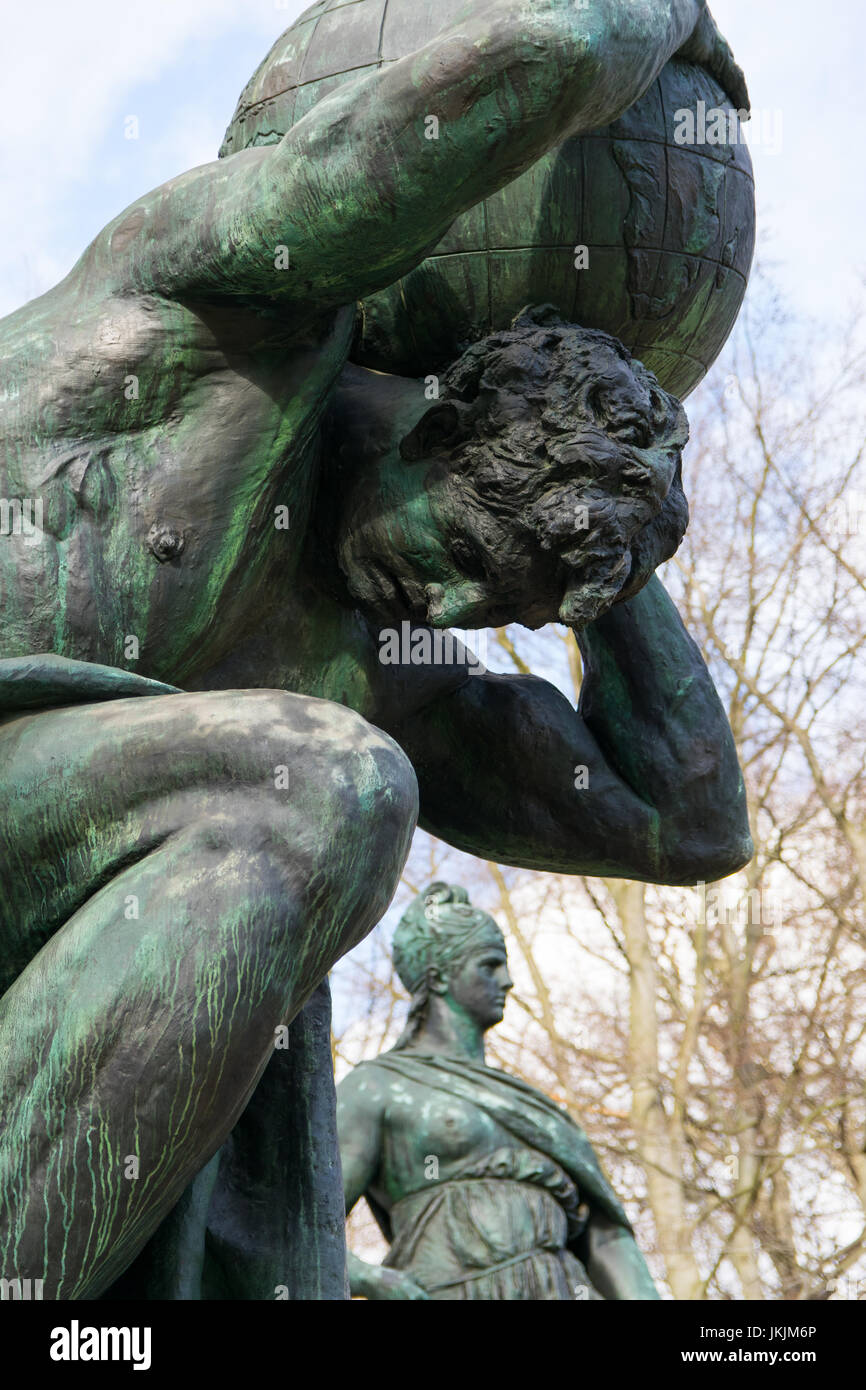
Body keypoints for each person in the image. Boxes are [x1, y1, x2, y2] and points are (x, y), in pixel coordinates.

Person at [0, 1, 750, 1297]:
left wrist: (612, 487)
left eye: (499, 611)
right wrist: (654, 11)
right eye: (468, 552)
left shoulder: (384, 663)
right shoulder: (217, 324)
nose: (451, 609)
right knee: (330, 785)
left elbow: (685, 822)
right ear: (434, 416)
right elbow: (529, 71)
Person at [338, 882, 659, 1299]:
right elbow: (301, 1225)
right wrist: (376, 1280)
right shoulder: (376, 1086)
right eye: (489, 966)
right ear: (438, 976)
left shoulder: (536, 1108)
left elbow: (607, 1236)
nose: (507, 981)